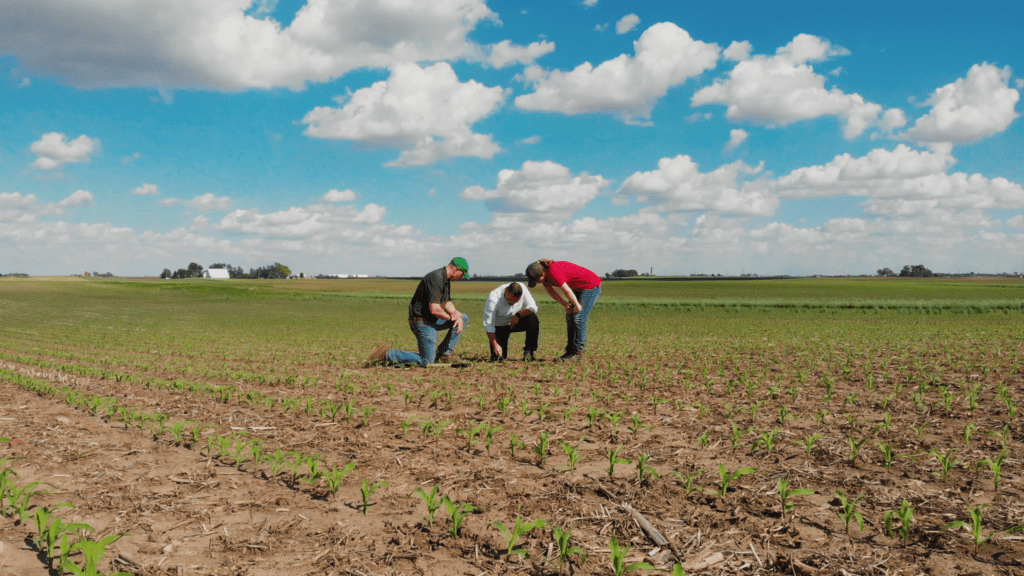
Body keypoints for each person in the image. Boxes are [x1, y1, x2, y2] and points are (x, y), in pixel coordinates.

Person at [366, 257, 470, 367]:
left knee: (463, 318)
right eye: (462, 274)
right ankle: (387, 354)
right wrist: (451, 318)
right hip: (422, 322)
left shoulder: (445, 280)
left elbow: (446, 301)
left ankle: (443, 355)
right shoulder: (436, 277)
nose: (461, 277)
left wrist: (456, 314)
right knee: (427, 361)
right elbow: (435, 309)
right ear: (457, 270)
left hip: (432, 320)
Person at [525, 259, 601, 362]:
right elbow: (551, 292)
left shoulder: (553, 271)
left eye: (538, 279)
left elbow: (566, 290)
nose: (538, 282)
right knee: (569, 316)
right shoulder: (544, 276)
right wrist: (565, 304)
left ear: (543, 273)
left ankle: (577, 352)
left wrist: (577, 305)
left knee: (578, 318)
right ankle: (570, 350)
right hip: (577, 288)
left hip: (590, 286)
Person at [482, 281, 540, 362]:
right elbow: (489, 324)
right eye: (509, 301)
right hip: (500, 326)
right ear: (505, 291)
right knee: (498, 358)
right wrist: (495, 344)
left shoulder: (522, 288)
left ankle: (529, 351)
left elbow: (533, 307)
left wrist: (518, 315)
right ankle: (498, 352)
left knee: (532, 319)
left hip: (514, 321)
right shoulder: (493, 298)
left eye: (515, 302)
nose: (512, 304)